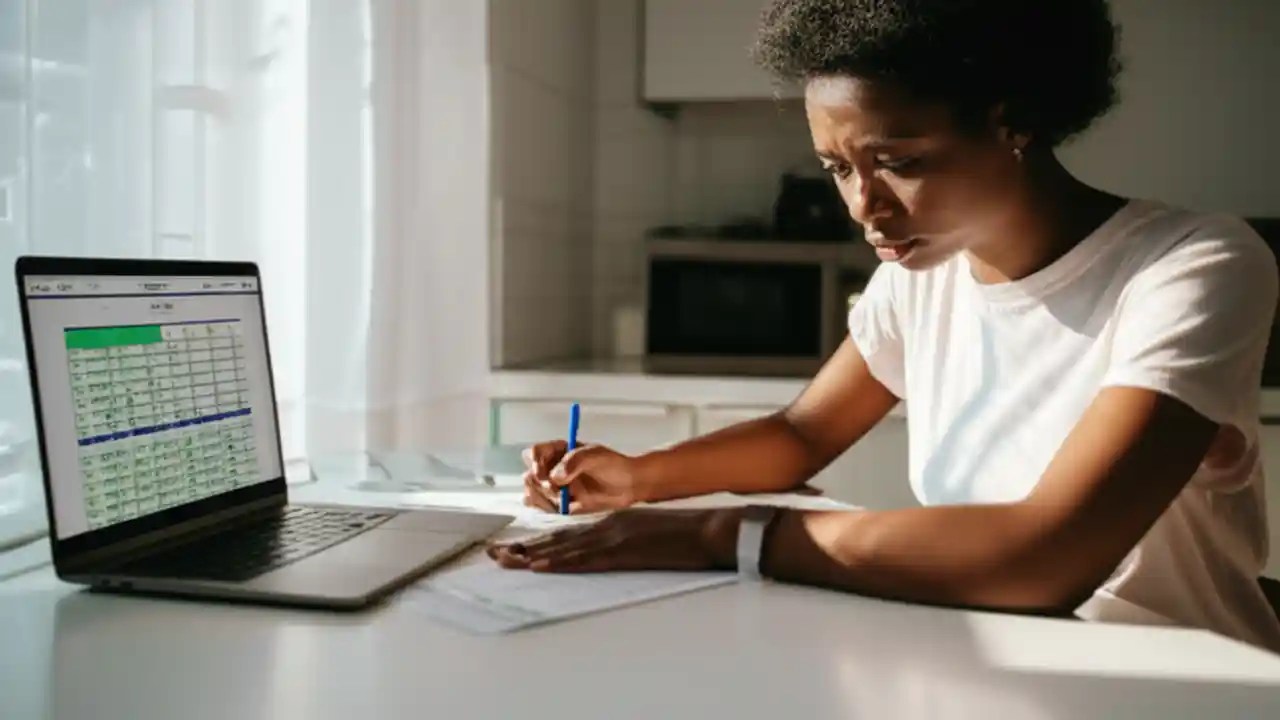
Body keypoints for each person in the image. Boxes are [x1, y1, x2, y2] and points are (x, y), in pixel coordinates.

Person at [487, 0, 1280, 651]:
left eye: (898, 160)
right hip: (991, 656)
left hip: (1182, 679)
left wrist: (723, 533)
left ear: (1015, 120)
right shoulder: (917, 277)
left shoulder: (1190, 264)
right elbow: (801, 435)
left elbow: (1048, 556)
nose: (863, 205)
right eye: (839, 168)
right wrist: (637, 477)